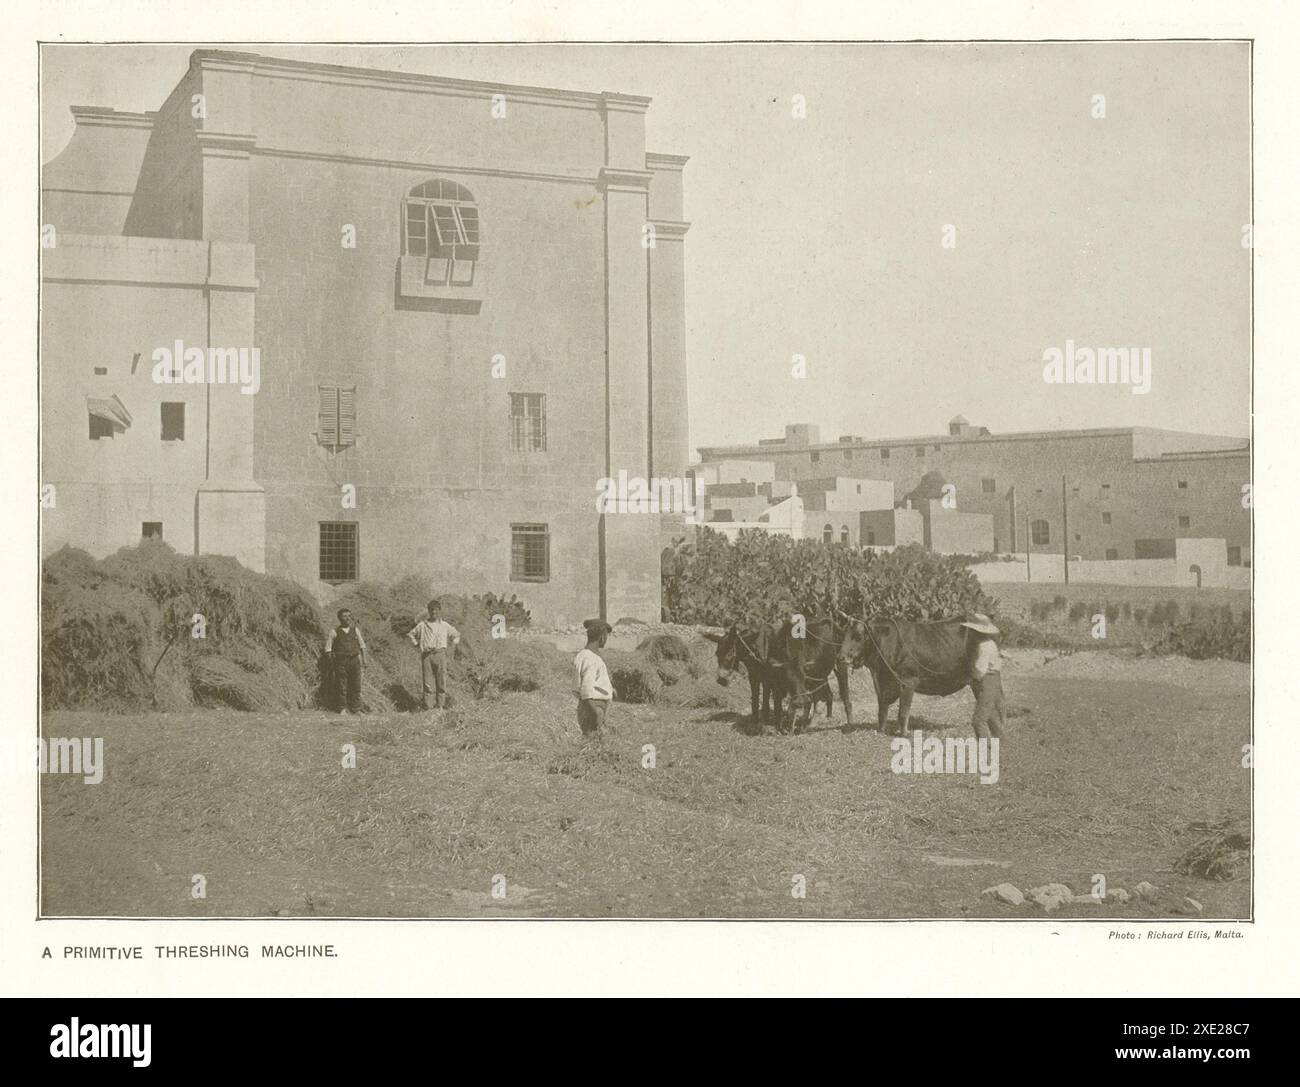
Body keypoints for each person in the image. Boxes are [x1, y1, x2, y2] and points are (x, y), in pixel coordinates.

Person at [407, 599, 460, 709]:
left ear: (440, 611)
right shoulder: (422, 625)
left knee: (441, 681)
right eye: (432, 610)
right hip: (427, 656)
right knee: (427, 682)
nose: (434, 613)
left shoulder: (444, 625)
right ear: (428, 611)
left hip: (440, 654)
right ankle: (429, 707)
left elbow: (456, 635)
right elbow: (411, 634)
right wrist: (416, 644)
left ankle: (440, 706)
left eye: (436, 610)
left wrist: (452, 647)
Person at [961, 613, 1005, 739]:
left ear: (977, 632)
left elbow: (980, 670)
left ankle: (985, 747)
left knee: (978, 721)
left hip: (987, 681)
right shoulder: (991, 643)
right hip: (994, 679)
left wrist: (969, 677)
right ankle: (1000, 739)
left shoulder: (983, 646)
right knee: (989, 712)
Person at [573, 618, 616, 735]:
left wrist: (610, 689)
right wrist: (597, 715)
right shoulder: (591, 659)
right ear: (602, 637)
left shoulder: (582, 655)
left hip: (589, 706)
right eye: (606, 636)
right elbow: (587, 691)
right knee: (596, 740)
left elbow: (591, 682)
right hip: (594, 707)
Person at [324, 608, 367, 715]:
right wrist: (333, 663)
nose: (348, 618)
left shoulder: (355, 630)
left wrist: (364, 660)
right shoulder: (334, 632)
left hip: (354, 660)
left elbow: (362, 646)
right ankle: (342, 708)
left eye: (349, 615)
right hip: (341, 662)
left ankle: (356, 709)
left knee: (356, 685)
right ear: (340, 618)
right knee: (342, 685)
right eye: (345, 616)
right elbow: (328, 649)